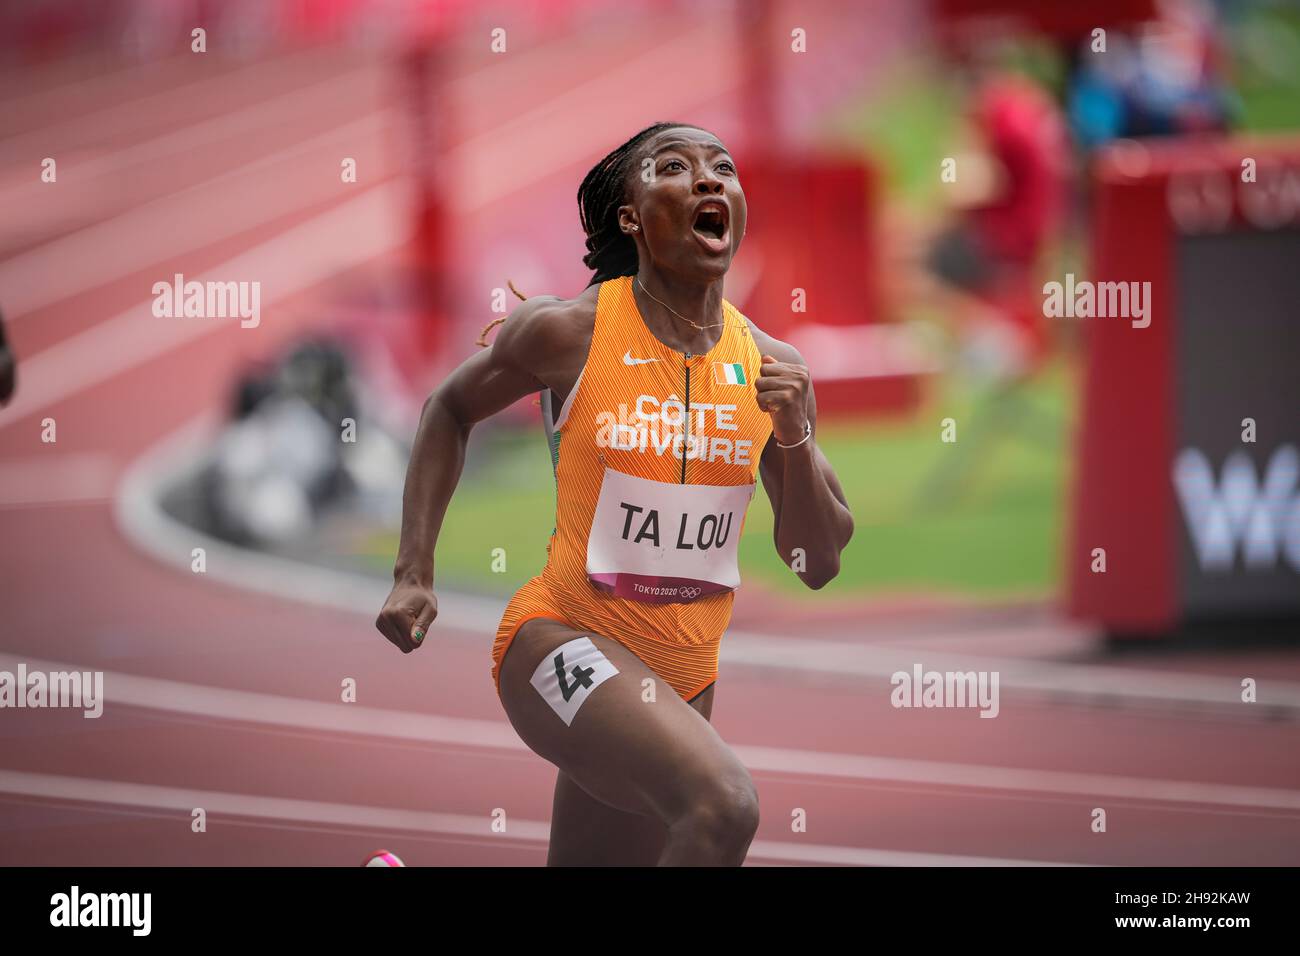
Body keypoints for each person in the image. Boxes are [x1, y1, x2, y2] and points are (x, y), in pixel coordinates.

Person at [375, 122, 854, 866]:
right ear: (631, 217)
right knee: (722, 805)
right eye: (674, 168)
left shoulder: (772, 369)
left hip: (683, 682)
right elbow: (448, 408)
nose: (707, 181)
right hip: (557, 643)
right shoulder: (570, 332)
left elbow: (816, 560)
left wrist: (794, 432)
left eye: (722, 168)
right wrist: (413, 572)